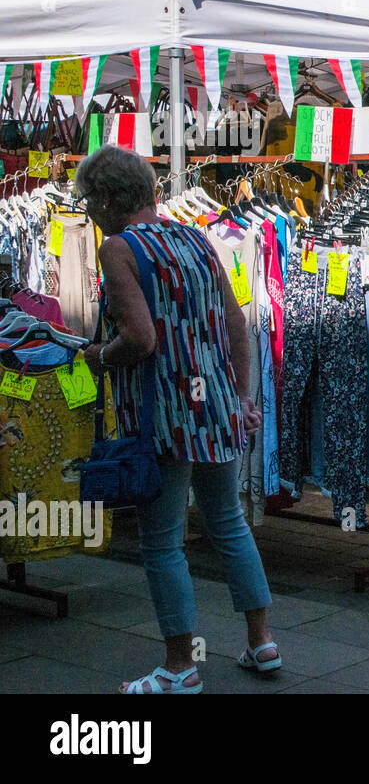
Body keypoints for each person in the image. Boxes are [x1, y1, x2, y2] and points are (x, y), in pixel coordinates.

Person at [76, 147, 274, 694]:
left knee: (162, 542)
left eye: (90, 199)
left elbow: (140, 339)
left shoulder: (118, 249)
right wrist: (238, 397)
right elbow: (237, 325)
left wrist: (99, 356)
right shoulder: (195, 238)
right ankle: (262, 641)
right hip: (211, 408)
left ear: (112, 199)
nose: (88, 210)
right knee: (228, 523)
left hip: (163, 414)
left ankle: (179, 666)